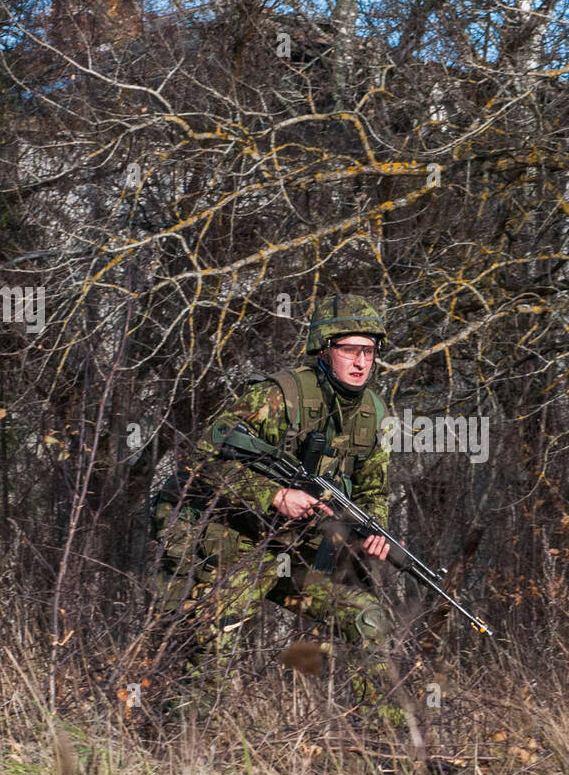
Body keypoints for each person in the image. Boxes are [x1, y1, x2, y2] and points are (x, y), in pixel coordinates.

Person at [152, 294, 403, 721]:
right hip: (230, 536)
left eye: (369, 351)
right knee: (217, 635)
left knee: (368, 618)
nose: (361, 362)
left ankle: (391, 745)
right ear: (325, 350)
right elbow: (198, 458)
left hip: (294, 548)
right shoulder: (278, 395)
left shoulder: (374, 414)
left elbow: (372, 490)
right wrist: (272, 494)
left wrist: (374, 529)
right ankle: (177, 744)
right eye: (349, 350)